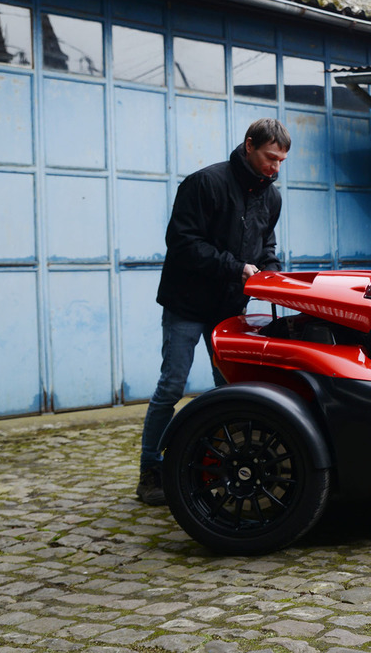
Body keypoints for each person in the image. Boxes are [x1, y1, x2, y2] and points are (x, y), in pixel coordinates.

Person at [135, 119, 289, 505]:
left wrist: (270, 273)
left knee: (231, 389)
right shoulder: (204, 183)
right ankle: (150, 470)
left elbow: (265, 246)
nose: (276, 167)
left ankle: (220, 466)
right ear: (250, 145)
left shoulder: (272, 198)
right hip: (186, 304)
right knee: (171, 386)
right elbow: (182, 243)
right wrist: (236, 267)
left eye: (282, 161)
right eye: (271, 158)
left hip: (228, 308)